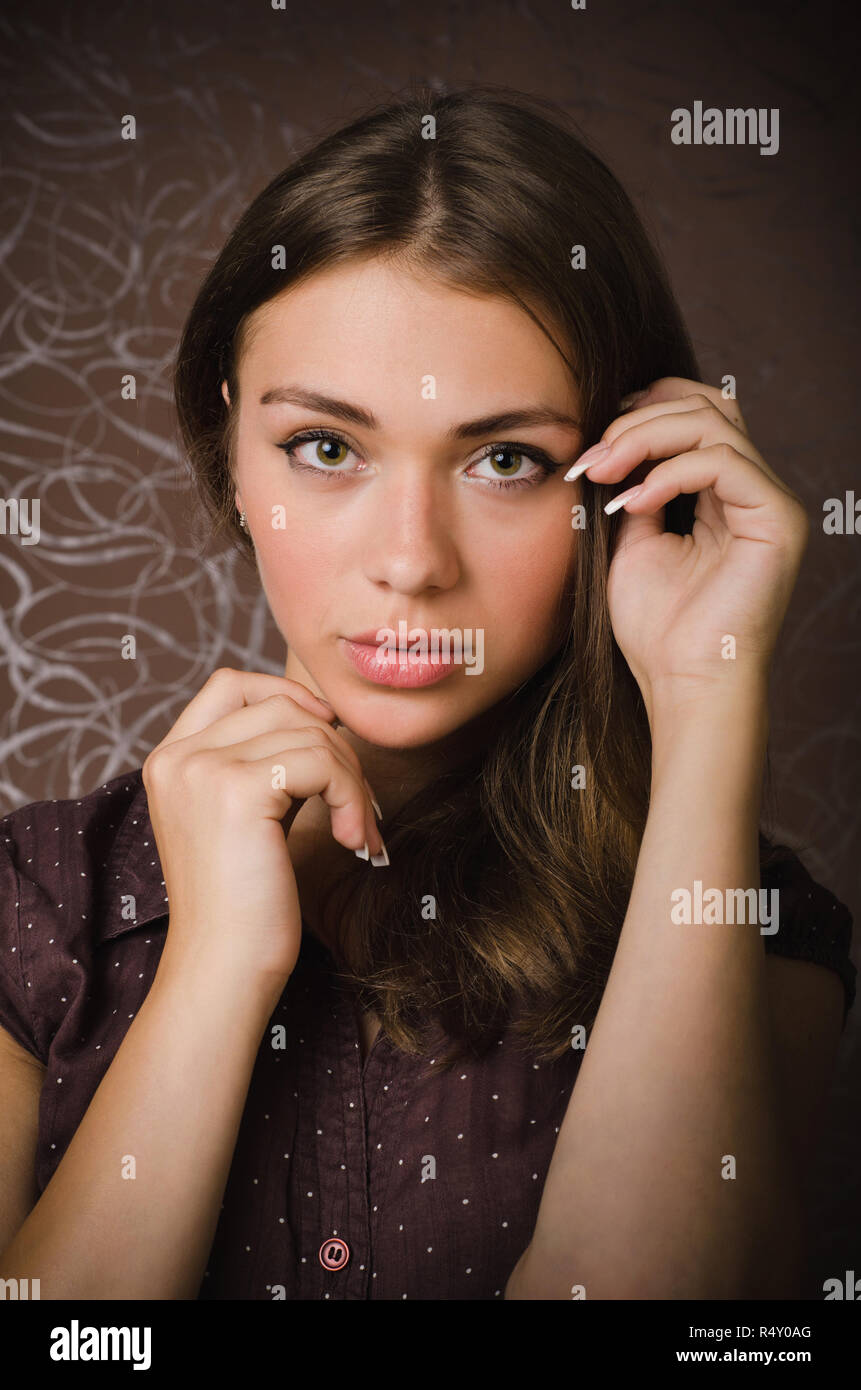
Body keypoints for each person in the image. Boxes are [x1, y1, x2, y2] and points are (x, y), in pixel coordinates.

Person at [0, 83, 854, 1302]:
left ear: (626, 484)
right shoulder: (40, 902)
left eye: (507, 460)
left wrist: (708, 682)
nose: (411, 558)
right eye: (327, 448)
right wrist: (215, 967)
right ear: (227, 449)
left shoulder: (739, 913)